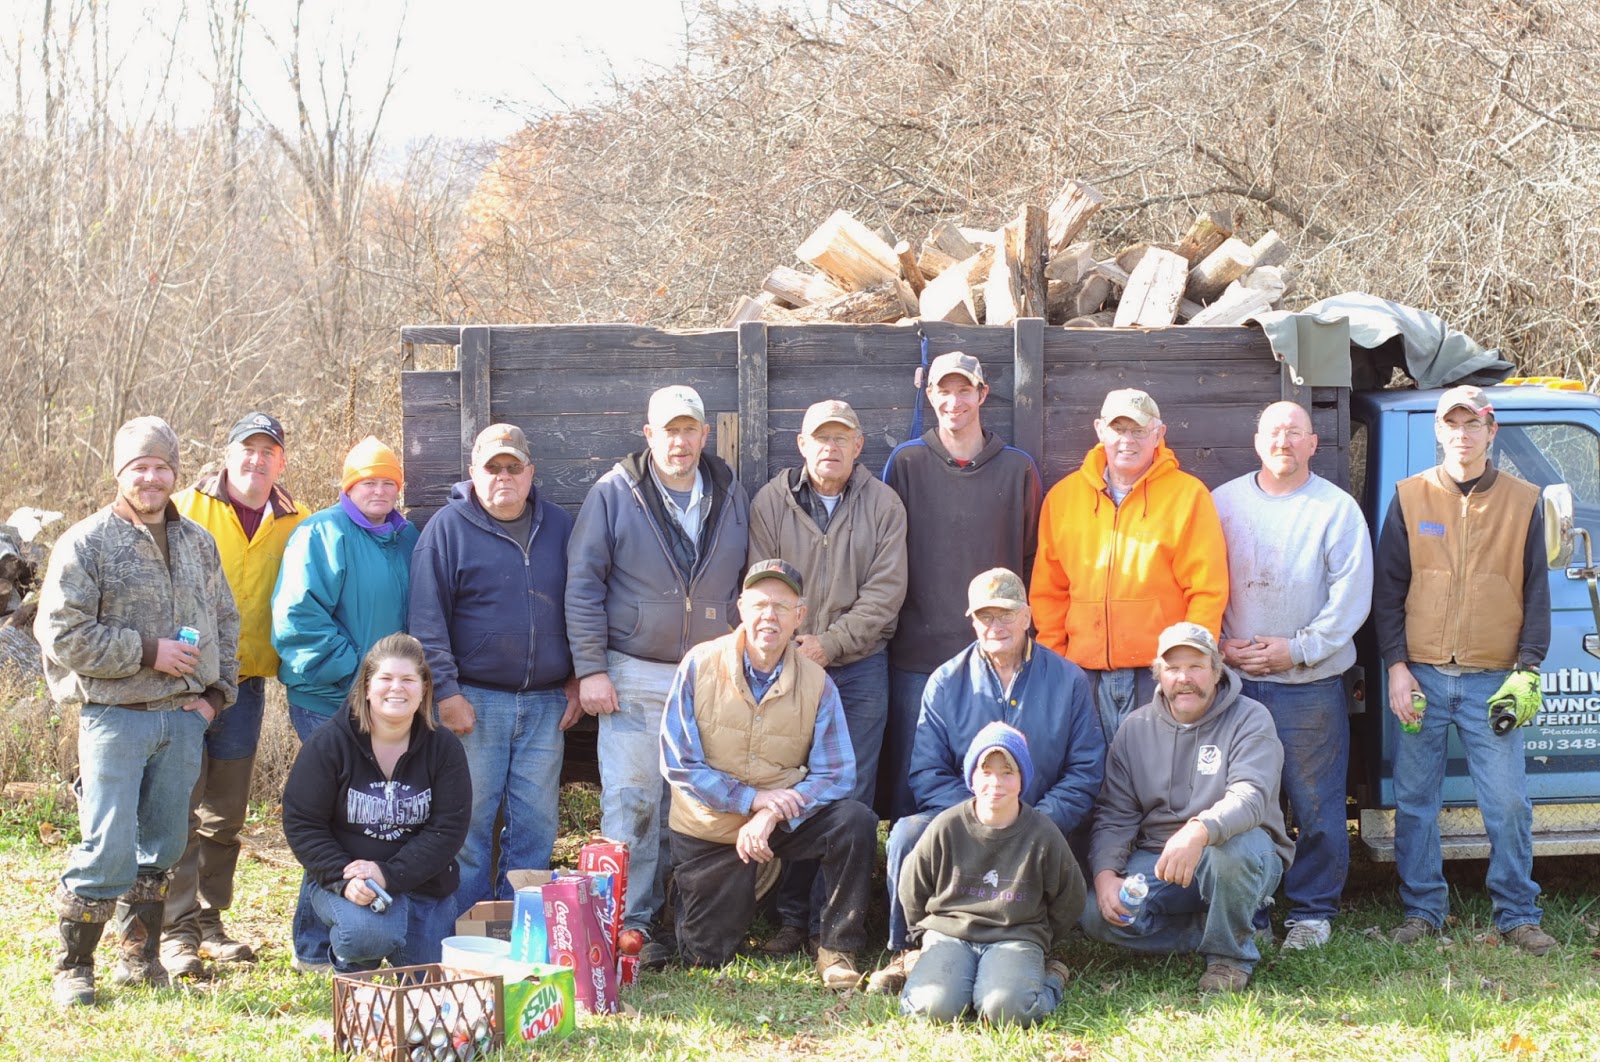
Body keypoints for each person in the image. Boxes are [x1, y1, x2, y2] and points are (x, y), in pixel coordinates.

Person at [35, 416, 240, 1009]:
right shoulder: (86, 542)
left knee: (164, 843)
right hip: (114, 716)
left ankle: (139, 958)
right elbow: (62, 634)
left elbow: (225, 620)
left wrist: (214, 697)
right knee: (107, 846)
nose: (151, 478)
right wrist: (148, 651)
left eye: (161, 466)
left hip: (182, 720)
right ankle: (74, 968)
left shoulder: (198, 541)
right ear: (119, 471)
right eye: (138, 467)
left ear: (176, 471)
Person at [566, 384, 749, 969]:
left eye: (689, 429)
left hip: (710, 675)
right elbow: (583, 584)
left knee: (694, 803)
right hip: (635, 671)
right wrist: (591, 668)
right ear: (648, 435)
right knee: (633, 803)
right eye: (668, 430)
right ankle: (628, 928)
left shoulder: (728, 491)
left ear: (704, 434)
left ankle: (684, 926)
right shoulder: (614, 494)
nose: (680, 441)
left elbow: (748, 582)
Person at [1374, 386, 1556, 954]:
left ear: (1490, 430)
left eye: (1472, 423)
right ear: (1438, 431)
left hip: (1492, 682)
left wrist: (1528, 669)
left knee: (1506, 804)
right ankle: (1423, 909)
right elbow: (1388, 592)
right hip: (1422, 679)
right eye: (1451, 423)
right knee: (1415, 800)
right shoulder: (1409, 497)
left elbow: (1536, 591)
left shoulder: (1526, 501)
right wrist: (1396, 668)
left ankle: (1518, 914)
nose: (1462, 433)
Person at [868, 568, 1104, 995]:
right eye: (985, 617)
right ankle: (912, 946)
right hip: (964, 822)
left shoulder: (1068, 680)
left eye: (1006, 615)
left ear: (1028, 616)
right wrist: (974, 820)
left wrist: (1034, 822)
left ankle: (1045, 949)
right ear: (972, 621)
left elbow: (1085, 769)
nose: (996, 626)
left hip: (1042, 826)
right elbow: (926, 771)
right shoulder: (944, 682)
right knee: (906, 834)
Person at [659, 559, 877, 990]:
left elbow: (836, 773)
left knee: (854, 821)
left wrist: (772, 813)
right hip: (712, 829)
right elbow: (678, 760)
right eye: (759, 604)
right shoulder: (699, 665)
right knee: (705, 956)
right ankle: (682, 906)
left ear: (801, 616)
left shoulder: (818, 682)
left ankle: (835, 946)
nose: (769, 616)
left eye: (782, 606)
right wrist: (751, 800)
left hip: (779, 819)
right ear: (741, 607)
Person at [747, 398, 907, 956]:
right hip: (787, 666)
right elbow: (762, 584)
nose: (831, 448)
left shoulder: (884, 505)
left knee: (849, 794)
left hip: (860, 669)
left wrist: (830, 643)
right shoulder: (771, 502)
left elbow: (885, 595)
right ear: (802, 444)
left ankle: (833, 927)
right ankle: (791, 920)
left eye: (842, 438)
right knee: (792, 781)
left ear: (858, 447)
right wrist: (794, 644)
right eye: (821, 438)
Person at [1212, 401, 1371, 950]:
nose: (1284, 441)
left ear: (1312, 445)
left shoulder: (1335, 510)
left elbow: (1351, 600)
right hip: (1235, 686)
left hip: (1309, 688)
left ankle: (1311, 912)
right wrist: (1218, 646)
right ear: (1257, 441)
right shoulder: (1223, 503)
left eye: (1294, 433)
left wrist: (1298, 650)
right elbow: (1203, 581)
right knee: (1243, 800)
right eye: (1274, 432)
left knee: (1318, 805)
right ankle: (1251, 904)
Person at [408, 423, 580, 912]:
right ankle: (465, 929)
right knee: (468, 824)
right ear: (472, 473)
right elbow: (426, 618)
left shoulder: (560, 527)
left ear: (530, 473)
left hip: (547, 703)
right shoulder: (447, 528)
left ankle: (518, 928)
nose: (504, 476)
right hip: (475, 700)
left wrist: (575, 677)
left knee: (536, 825)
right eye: (493, 468)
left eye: (513, 467)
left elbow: (585, 603)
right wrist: (446, 693)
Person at [160, 412, 305, 979]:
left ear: (282, 461)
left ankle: (209, 919)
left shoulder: (297, 522)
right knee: (179, 809)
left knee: (225, 814)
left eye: (269, 451)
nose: (257, 460)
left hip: (245, 688)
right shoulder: (187, 510)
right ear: (227, 454)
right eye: (248, 449)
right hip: (184, 683)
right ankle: (174, 928)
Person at [273, 434, 420, 971]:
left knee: (365, 819)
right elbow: (297, 621)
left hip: (387, 705)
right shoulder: (322, 533)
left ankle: (342, 932)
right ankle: (313, 945)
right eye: (368, 482)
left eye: (389, 482)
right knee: (334, 820)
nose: (379, 491)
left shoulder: (407, 538)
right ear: (348, 487)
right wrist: (365, 674)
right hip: (328, 699)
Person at [1082, 622, 1292, 994]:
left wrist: (1198, 831)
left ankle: (1229, 958)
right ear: (1158, 674)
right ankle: (1231, 930)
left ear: (1216, 670)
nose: (1184, 678)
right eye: (1173, 667)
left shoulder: (1251, 717)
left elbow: (1251, 796)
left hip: (1239, 851)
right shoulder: (1135, 728)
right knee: (1095, 917)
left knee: (1229, 853)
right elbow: (1115, 814)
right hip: (1162, 859)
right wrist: (1105, 875)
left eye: (1195, 666)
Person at [880, 351, 1042, 821]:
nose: (955, 401)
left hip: (998, 657)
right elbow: (889, 550)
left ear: (982, 394)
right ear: (929, 396)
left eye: (964, 390)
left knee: (997, 778)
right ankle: (914, 881)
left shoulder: (1017, 468)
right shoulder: (906, 462)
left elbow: (1032, 556)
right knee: (916, 783)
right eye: (943, 390)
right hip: (917, 656)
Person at [1029, 388, 1228, 740]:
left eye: (1138, 430)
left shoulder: (1189, 496)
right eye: (1118, 429)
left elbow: (1207, 591)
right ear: (1100, 430)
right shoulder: (1063, 498)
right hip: (1080, 674)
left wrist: (1188, 667)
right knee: (1088, 780)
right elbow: (1049, 592)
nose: (1127, 440)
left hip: (1156, 674)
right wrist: (1055, 665)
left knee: (1156, 784)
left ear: (1158, 434)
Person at [282, 634, 470, 973]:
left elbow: (448, 829)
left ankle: (397, 937)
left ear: (424, 689)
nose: (396, 688)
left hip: (421, 880)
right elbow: (303, 823)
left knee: (428, 984)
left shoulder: (444, 749)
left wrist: (388, 874)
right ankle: (354, 958)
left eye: (408, 680)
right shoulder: (330, 743)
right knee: (366, 936)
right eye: (385, 678)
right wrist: (343, 879)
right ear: (367, 687)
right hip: (353, 879)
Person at [899, 723, 1082, 1027]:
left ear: (1022, 779)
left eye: (1007, 772)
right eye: (986, 771)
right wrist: (925, 932)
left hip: (1015, 935)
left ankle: (1051, 978)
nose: (995, 782)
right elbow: (912, 886)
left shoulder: (1042, 833)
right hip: (950, 933)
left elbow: (1070, 896)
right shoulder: (947, 826)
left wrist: (1040, 935)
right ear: (971, 777)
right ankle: (929, 968)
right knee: (930, 1010)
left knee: (1008, 1010)